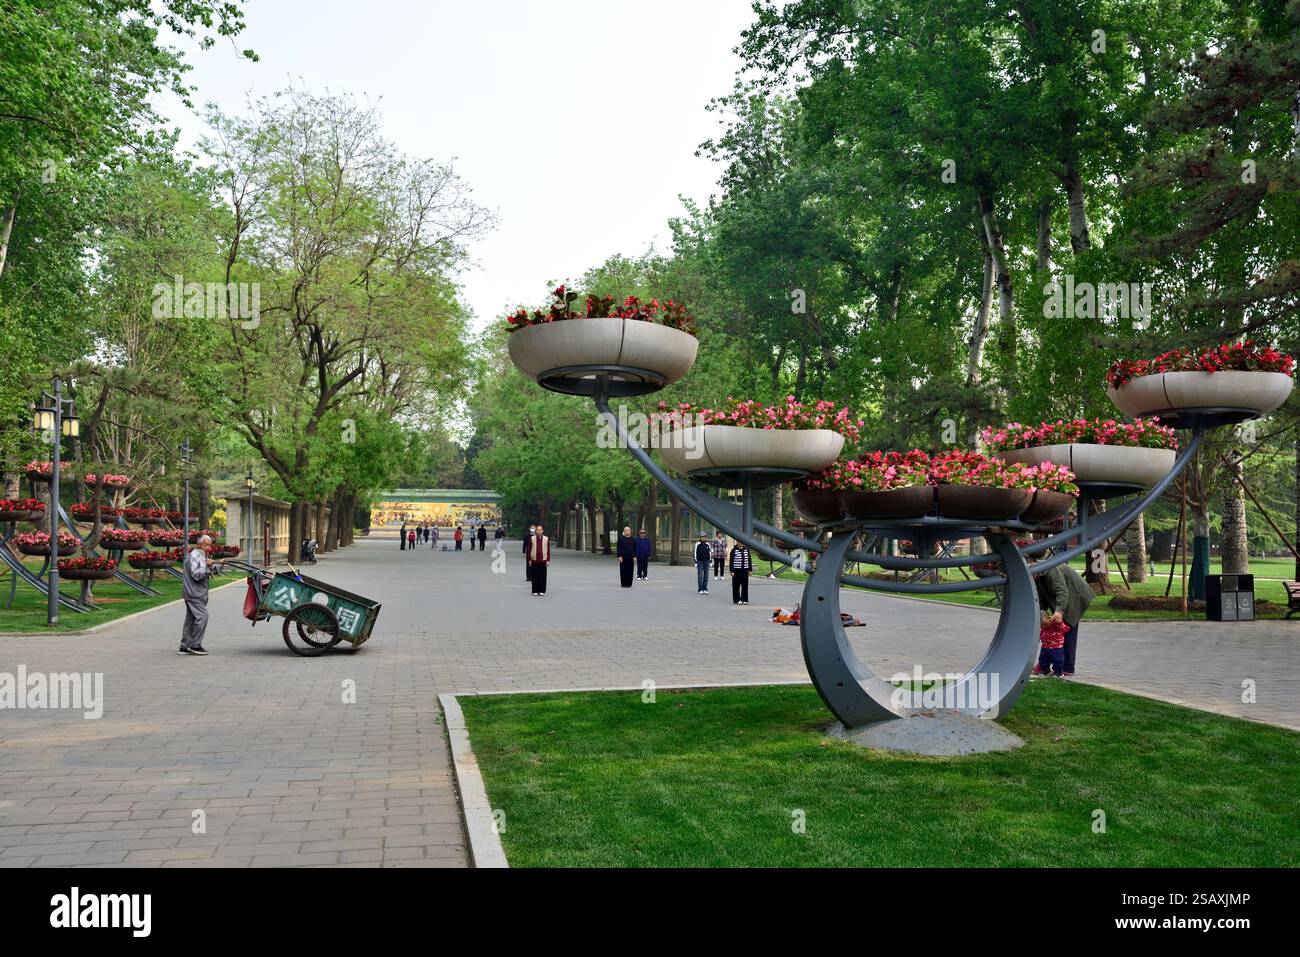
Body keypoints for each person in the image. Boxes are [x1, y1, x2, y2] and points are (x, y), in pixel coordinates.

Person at [1033, 561, 1093, 677]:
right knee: (1055, 629)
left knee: (1068, 626)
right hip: (1062, 595)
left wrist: (1059, 611)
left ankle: (1067, 667)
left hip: (1076, 594)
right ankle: (1045, 665)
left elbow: (1062, 592)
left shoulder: (1051, 570)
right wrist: (1040, 612)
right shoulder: (1038, 576)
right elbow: (1041, 596)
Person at [179, 534, 223, 656]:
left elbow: (205, 568)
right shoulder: (194, 555)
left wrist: (217, 566)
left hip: (196, 593)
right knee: (203, 616)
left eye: (210, 545)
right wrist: (209, 567)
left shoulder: (201, 555)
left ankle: (184, 646)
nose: (209, 547)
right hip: (194, 593)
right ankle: (195, 645)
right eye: (206, 545)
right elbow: (197, 575)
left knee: (191, 619)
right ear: (199, 545)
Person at [528, 523, 551, 595]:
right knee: (534, 576)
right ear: (536, 531)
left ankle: (542, 591)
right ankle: (535, 590)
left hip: (543, 560)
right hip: (534, 559)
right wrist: (529, 560)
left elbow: (548, 550)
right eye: (537, 530)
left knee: (543, 576)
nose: (539, 531)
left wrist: (548, 560)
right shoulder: (532, 538)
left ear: (542, 531)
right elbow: (529, 550)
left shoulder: (546, 539)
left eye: (540, 530)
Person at [730, 540, 752, 605]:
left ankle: (744, 599)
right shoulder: (734, 550)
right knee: (736, 586)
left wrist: (750, 570)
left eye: (742, 542)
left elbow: (749, 560)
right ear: (737, 542)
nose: (741, 543)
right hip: (736, 570)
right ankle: (737, 599)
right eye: (739, 542)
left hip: (745, 570)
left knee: (745, 585)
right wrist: (732, 571)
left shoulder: (746, 550)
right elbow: (731, 561)